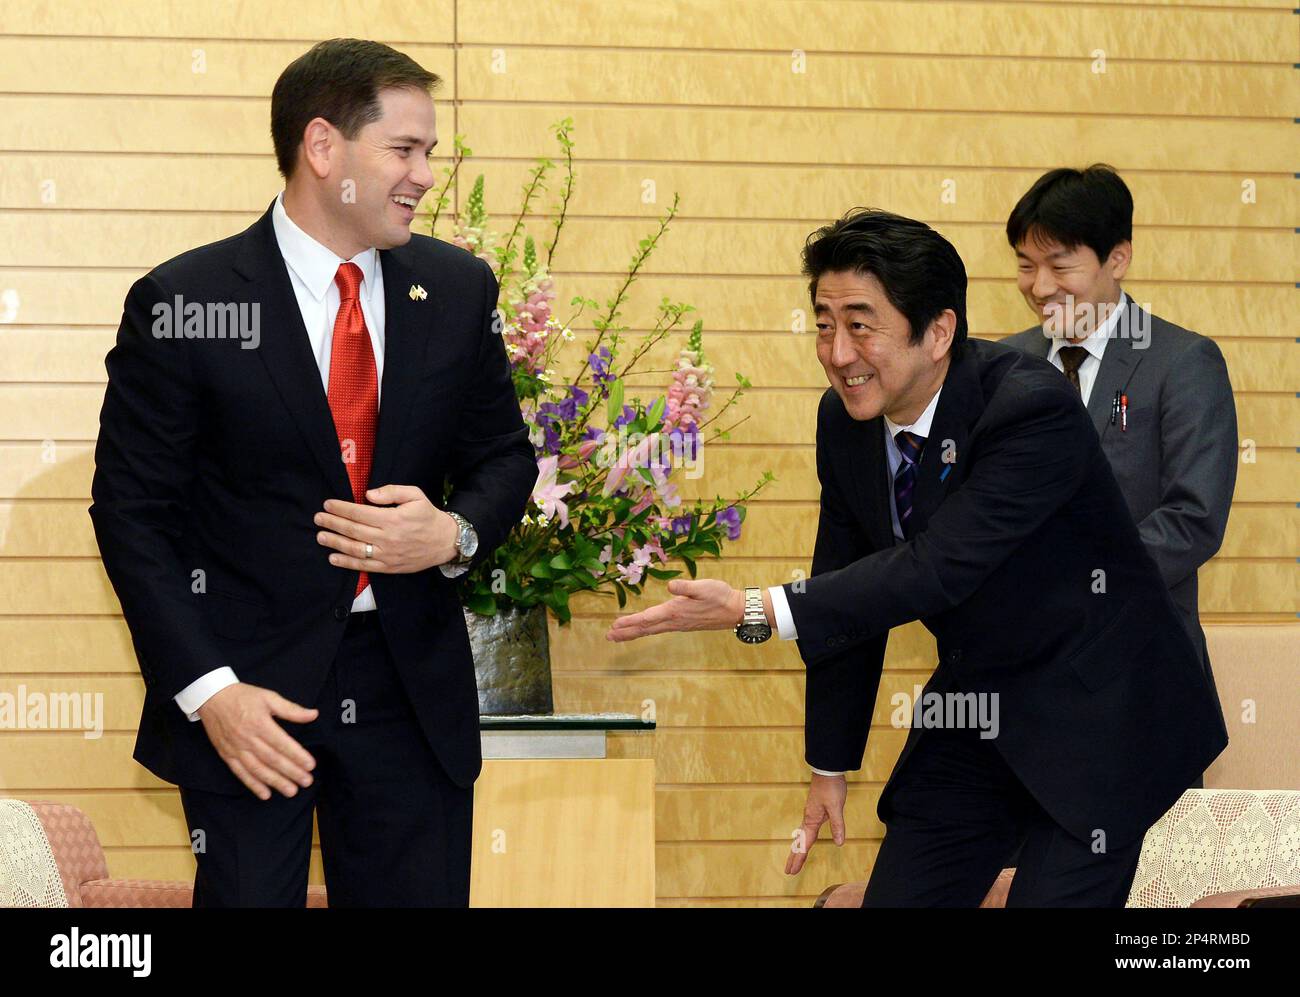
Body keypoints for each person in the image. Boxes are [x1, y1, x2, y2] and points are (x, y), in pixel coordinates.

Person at [606, 208, 1227, 907]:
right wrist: (830, 763)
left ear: (938, 332)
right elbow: (849, 588)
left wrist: (756, 607)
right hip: (977, 703)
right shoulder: (844, 421)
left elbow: (936, 568)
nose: (839, 353)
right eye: (823, 323)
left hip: (1102, 709)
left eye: (861, 325)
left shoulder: (1028, 408)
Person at [89, 38, 536, 907]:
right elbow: (131, 514)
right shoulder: (185, 301)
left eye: (429, 155)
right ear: (323, 148)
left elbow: (505, 457)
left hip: (410, 690)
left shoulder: (456, 289)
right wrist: (209, 692)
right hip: (249, 697)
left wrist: (455, 531)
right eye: (404, 151)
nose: (424, 176)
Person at [1001, 166, 1237, 788]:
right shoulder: (1002, 364)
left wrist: (1071, 588)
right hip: (1019, 689)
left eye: (1060, 265)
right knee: (1018, 881)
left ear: (1119, 257)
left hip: (1141, 682)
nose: (1040, 286)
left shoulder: (1183, 362)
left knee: (1147, 883)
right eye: (1026, 265)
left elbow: (1193, 521)